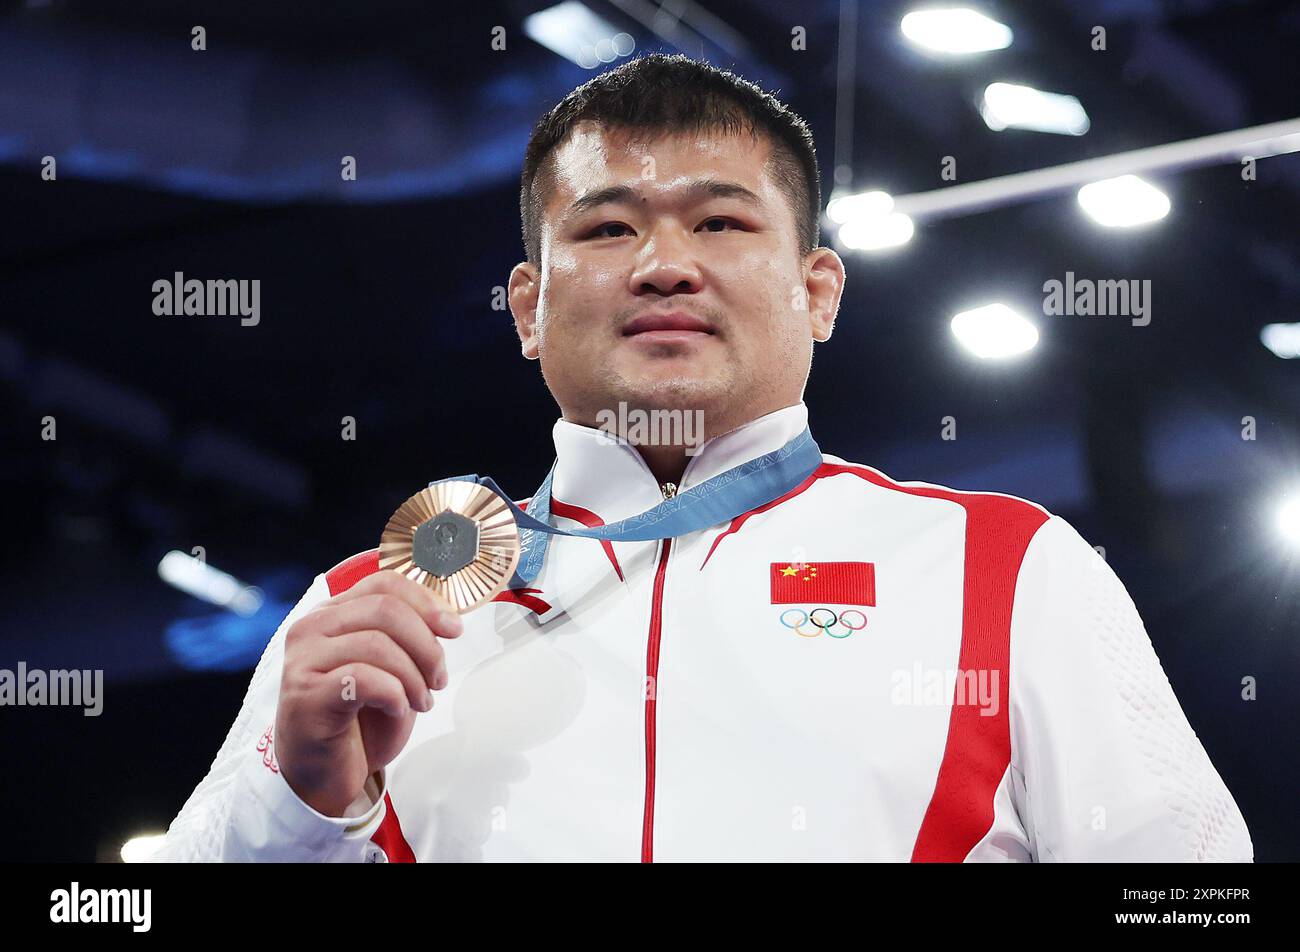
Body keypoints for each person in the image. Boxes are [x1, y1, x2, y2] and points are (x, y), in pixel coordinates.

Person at [157, 53, 1251, 862]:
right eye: (606, 230)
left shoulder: (1008, 568)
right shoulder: (366, 607)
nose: (664, 266)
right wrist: (296, 806)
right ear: (528, 309)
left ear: (816, 293)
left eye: (722, 224)